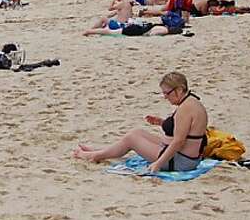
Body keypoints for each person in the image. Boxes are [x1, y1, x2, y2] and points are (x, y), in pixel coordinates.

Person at [73, 72, 208, 173]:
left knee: (132, 138)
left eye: (167, 93)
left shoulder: (186, 108)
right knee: (138, 132)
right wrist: (162, 123)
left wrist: (158, 164)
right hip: (184, 157)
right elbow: (185, 130)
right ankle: (102, 151)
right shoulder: (191, 101)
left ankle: (95, 155)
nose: (165, 97)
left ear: (179, 90)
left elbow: (178, 142)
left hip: (179, 162)